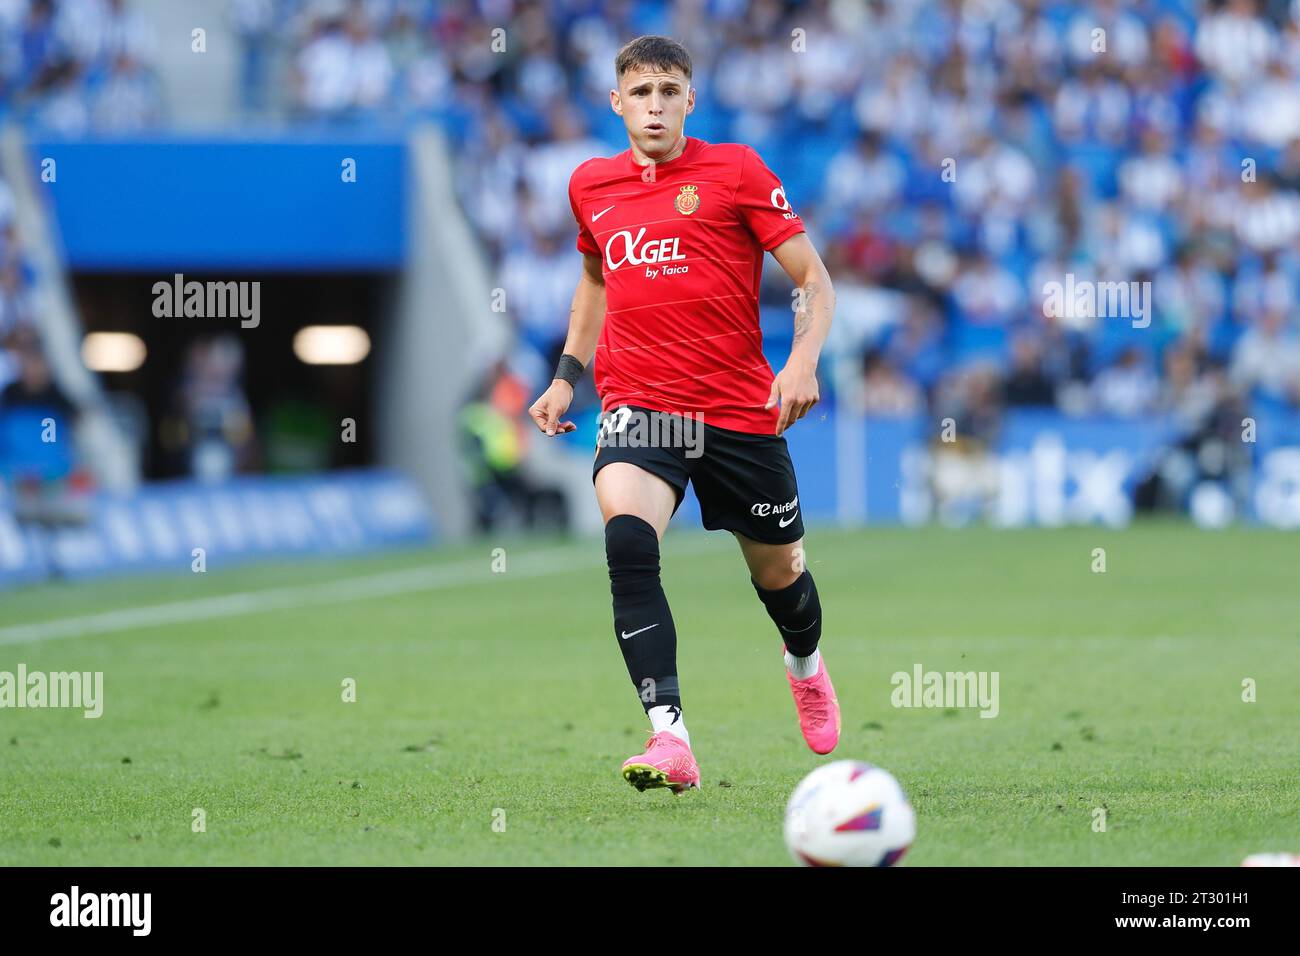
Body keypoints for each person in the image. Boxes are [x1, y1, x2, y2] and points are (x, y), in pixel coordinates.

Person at [527, 36, 839, 795]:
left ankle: (804, 664)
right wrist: (567, 376)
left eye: (669, 90)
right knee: (628, 543)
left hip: (737, 409)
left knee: (782, 573)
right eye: (641, 93)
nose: (655, 105)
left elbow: (813, 278)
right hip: (642, 405)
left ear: (689, 100)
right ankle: (669, 734)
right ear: (617, 102)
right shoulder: (590, 185)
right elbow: (596, 283)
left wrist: (799, 363)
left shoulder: (735, 170)